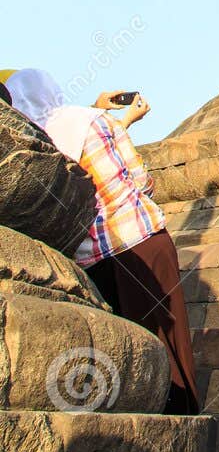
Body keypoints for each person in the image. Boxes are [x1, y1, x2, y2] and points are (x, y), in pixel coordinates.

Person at [5, 69, 200, 415]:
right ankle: (184, 419)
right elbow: (141, 180)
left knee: (133, 356)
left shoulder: (40, 144)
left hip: (94, 262)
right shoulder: (95, 122)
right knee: (172, 342)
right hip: (142, 241)